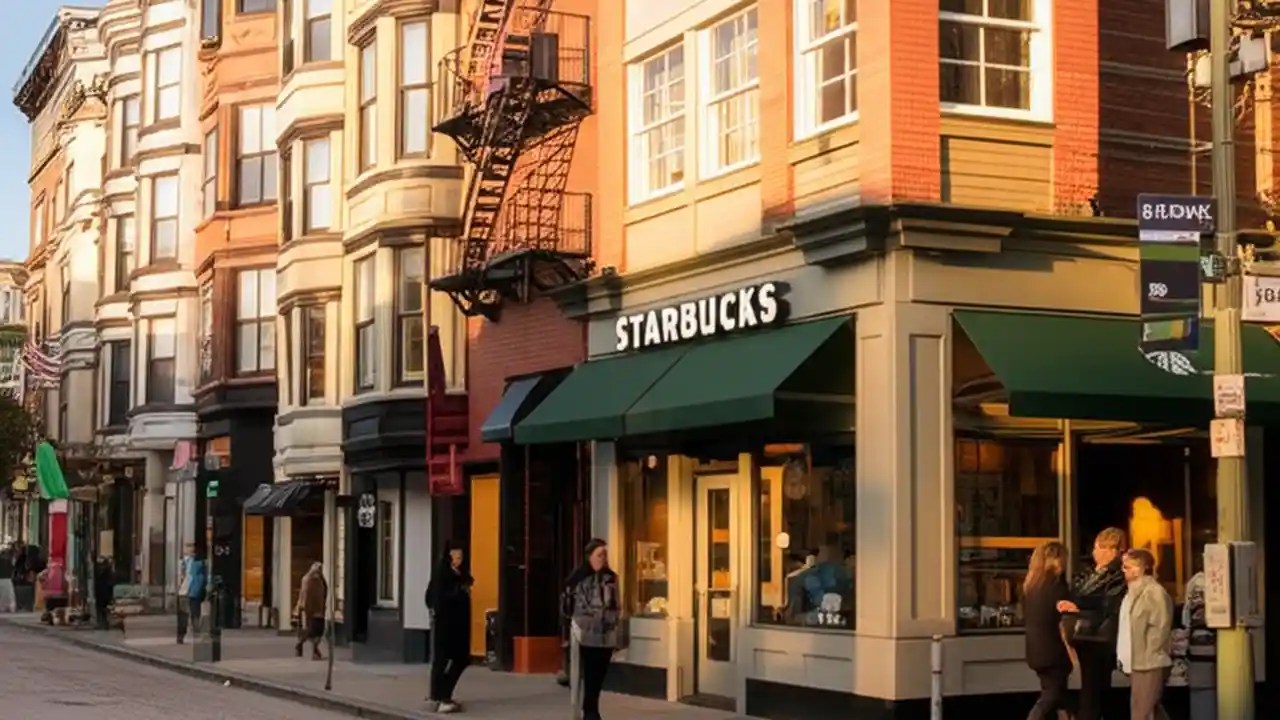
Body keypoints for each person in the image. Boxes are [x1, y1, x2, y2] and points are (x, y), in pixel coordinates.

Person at [1058, 527, 1128, 720]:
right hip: (1088, 634)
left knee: (1093, 689)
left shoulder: (1116, 574)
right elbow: (1076, 589)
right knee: (1094, 687)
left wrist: (1077, 607)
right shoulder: (1092, 572)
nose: (1094, 552)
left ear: (1111, 550)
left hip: (1100, 636)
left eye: (1098, 547)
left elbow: (1104, 602)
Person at [565, 538, 621, 720]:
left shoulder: (611, 578)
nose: (602, 559)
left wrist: (613, 621)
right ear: (589, 556)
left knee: (599, 674)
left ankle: (591, 706)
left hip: (606, 634)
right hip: (586, 633)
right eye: (599, 555)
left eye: (605, 555)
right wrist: (595, 619)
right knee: (588, 672)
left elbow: (616, 604)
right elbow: (577, 606)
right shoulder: (579, 578)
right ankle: (589, 711)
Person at [1118, 548, 1173, 720]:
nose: (1123, 570)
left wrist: (1151, 652)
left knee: (1142, 711)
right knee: (1149, 709)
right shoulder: (1132, 592)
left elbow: (1161, 626)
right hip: (1137, 662)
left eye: (1128, 566)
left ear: (1141, 568)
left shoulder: (1154, 593)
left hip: (1148, 662)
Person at [1023, 540, 1074, 720]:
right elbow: (1065, 619)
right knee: (1051, 696)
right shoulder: (1057, 587)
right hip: (1054, 651)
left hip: (1035, 650)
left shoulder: (1031, 586)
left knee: (1059, 695)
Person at [425, 541, 473, 714]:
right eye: (456, 557)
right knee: (443, 660)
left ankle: (442, 695)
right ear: (449, 556)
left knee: (459, 659)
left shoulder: (460, 574)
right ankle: (439, 697)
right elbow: (434, 596)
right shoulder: (442, 574)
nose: (459, 560)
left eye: (461, 557)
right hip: (446, 624)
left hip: (458, 625)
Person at [294, 561, 328, 660]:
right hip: (311, 610)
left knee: (317, 632)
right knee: (312, 631)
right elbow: (304, 596)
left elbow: (324, 592)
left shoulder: (320, 580)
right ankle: (312, 650)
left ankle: (306, 647)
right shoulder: (308, 580)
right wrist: (303, 609)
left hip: (319, 609)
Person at [176, 544, 207, 643]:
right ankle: (181, 635)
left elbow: (200, 579)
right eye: (187, 547)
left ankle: (192, 632)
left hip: (190, 591)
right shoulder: (182, 562)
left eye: (191, 548)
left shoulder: (198, 564)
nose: (189, 550)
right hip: (182, 591)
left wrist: (196, 591)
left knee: (192, 613)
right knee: (183, 615)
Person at [93, 556, 115, 629]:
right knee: (103, 610)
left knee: (102, 610)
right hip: (103, 594)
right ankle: (104, 624)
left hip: (101, 594)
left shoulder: (101, 572)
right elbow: (110, 585)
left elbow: (110, 584)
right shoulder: (108, 572)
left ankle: (103, 624)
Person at [0, 544, 16, 613]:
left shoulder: (7, 561)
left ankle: (2, 607)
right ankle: (10, 607)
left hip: (1, 579)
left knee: (2, 595)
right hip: (7, 579)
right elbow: (12, 569)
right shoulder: (8, 561)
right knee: (9, 595)